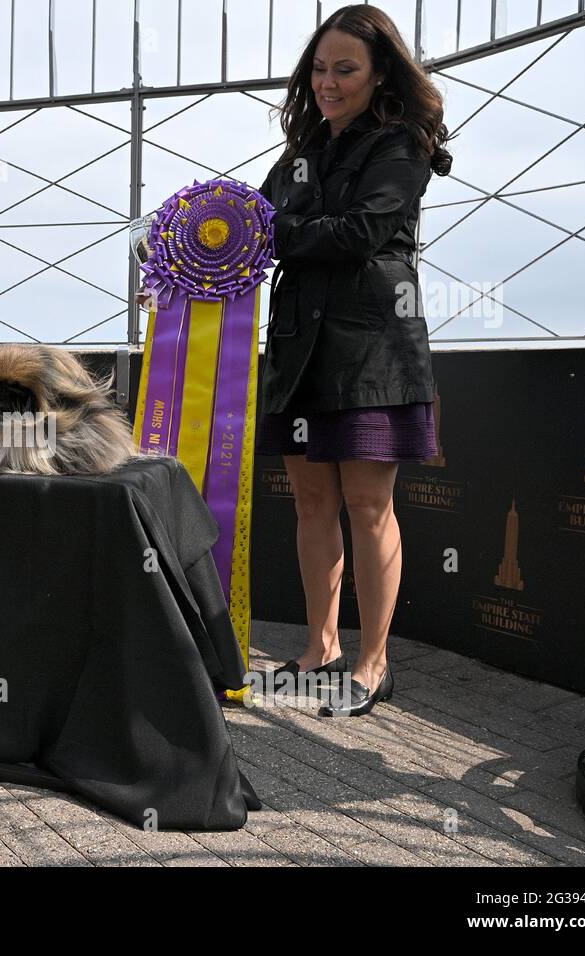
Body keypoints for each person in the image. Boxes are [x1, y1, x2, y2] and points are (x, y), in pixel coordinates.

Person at [254, 5, 453, 717]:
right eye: (319, 68)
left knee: (369, 506)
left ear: (380, 75)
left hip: (372, 349)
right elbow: (255, 221)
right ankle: (321, 648)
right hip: (299, 349)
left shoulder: (401, 143)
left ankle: (374, 663)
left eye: (346, 70)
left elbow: (361, 231)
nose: (328, 82)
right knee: (312, 501)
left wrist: (278, 233)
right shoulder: (303, 148)